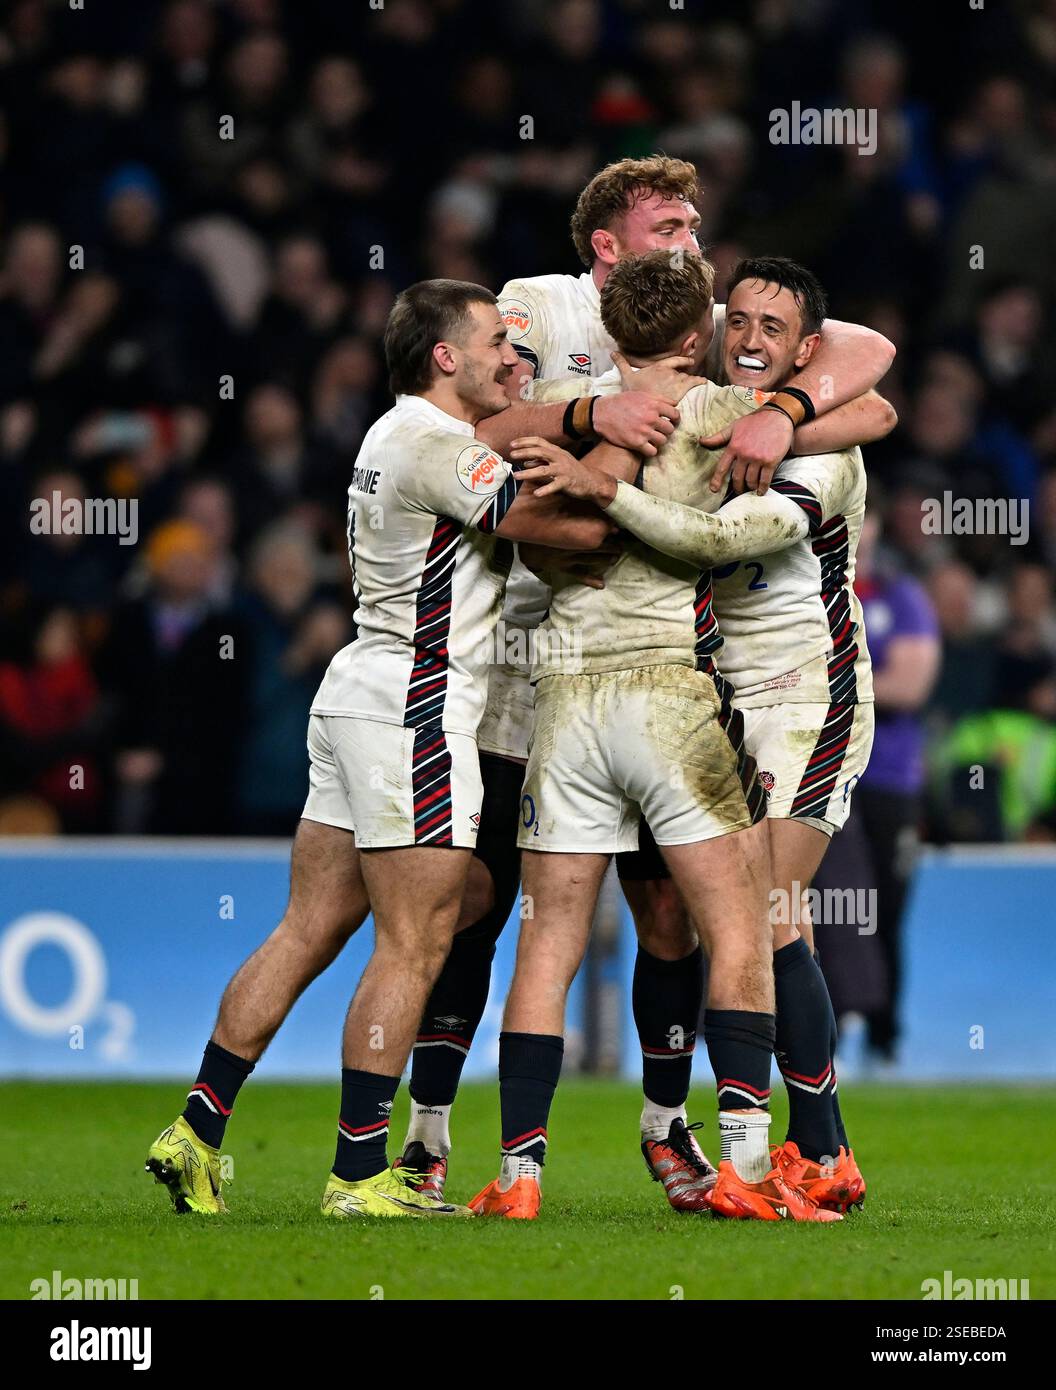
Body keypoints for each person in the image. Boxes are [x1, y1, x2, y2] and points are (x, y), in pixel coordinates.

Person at [393, 155, 897, 1210]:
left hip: (775, 683)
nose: (693, 243)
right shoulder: (541, 314)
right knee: (714, 916)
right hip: (624, 686)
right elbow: (471, 431)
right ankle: (772, 1159)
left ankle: (577, 1156)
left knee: (686, 920)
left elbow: (870, 385)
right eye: (671, 223)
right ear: (609, 248)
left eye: (698, 224)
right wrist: (592, 436)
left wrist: (782, 413)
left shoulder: (734, 381)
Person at [144, 278, 635, 1219]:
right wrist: (642, 496)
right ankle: (361, 1174)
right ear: (446, 357)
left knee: (314, 926)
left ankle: (197, 1130)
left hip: (360, 689)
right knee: (414, 942)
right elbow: (561, 530)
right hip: (419, 703)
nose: (514, 355)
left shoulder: (390, 434)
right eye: (496, 340)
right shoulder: (437, 449)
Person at [523, 255, 887, 1211]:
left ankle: (809, 1148)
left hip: (809, 689)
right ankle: (807, 1149)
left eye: (778, 329)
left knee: (764, 912)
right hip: (714, 690)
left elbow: (727, 540)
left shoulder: (816, 444)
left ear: (807, 351)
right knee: (734, 920)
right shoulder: (713, 415)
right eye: (744, 322)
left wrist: (610, 498)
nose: (755, 339)